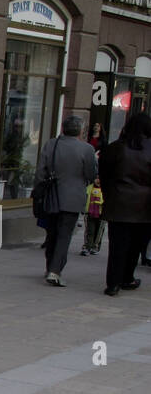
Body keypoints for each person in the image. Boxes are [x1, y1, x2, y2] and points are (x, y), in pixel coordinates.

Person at [36, 115, 98, 287]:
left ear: (63, 128)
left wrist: (41, 189)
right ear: (80, 130)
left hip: (52, 196)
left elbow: (41, 171)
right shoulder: (87, 149)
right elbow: (91, 175)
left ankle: (50, 267)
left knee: (52, 233)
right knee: (64, 235)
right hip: (73, 197)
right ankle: (55, 271)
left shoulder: (51, 144)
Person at [97, 112, 151, 296]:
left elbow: (104, 174)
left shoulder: (116, 148)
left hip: (119, 202)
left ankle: (113, 283)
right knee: (136, 245)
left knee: (117, 245)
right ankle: (127, 277)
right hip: (144, 205)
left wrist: (108, 194)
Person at [80, 180, 105, 256]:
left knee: (99, 232)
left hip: (101, 214)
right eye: (96, 178)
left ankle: (95, 247)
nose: (98, 180)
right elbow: (83, 198)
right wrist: (82, 208)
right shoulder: (89, 188)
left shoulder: (107, 188)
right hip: (90, 213)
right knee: (90, 230)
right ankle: (87, 247)